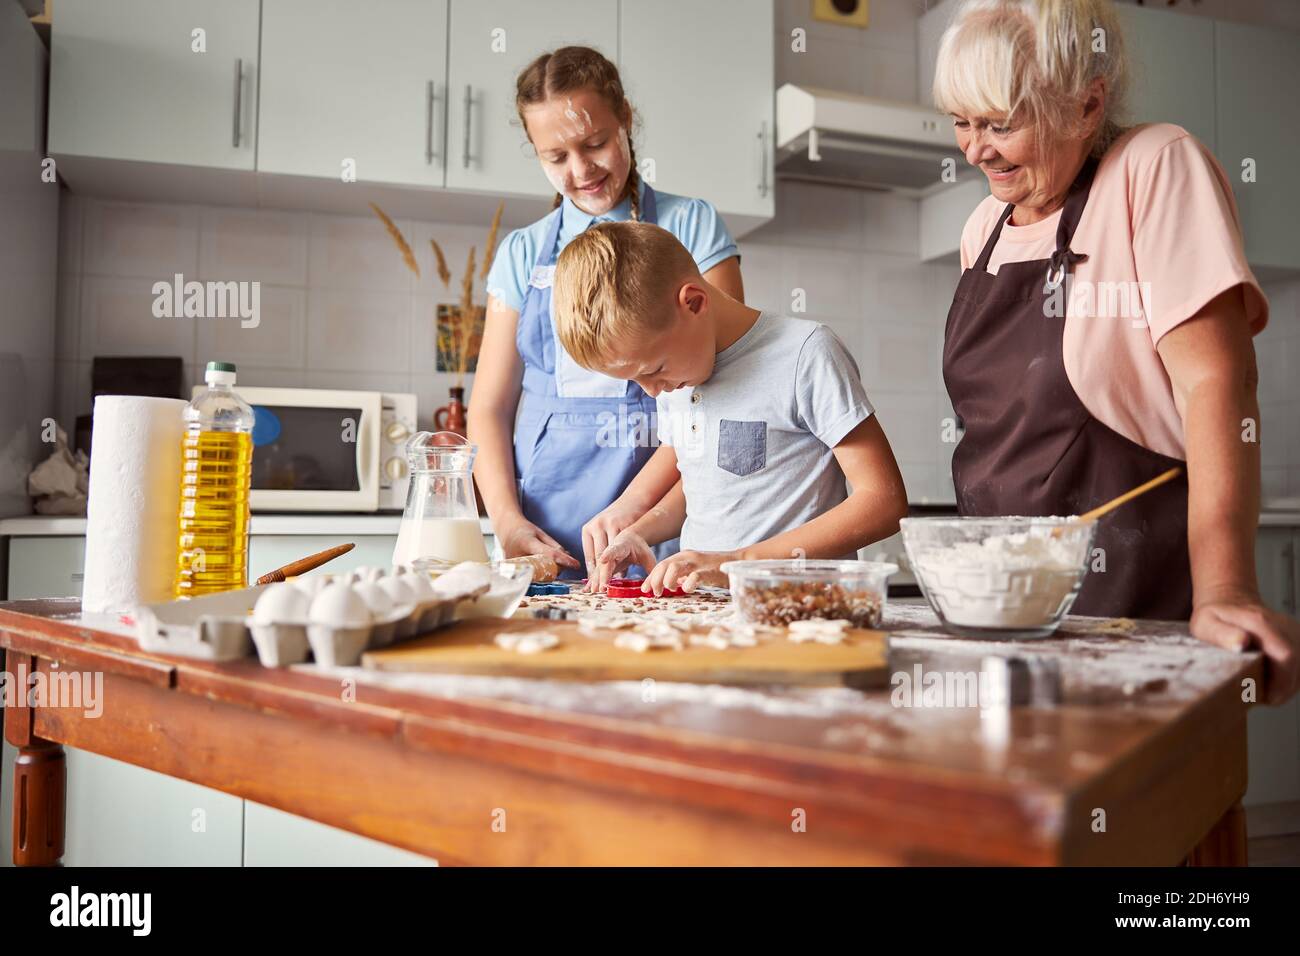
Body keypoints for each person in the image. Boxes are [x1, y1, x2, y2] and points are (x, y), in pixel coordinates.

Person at [933, 0, 1297, 702]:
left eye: (1001, 123)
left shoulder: (1154, 167)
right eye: (962, 121)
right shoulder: (984, 227)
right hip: (1006, 618)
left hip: (1135, 602)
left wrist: (1226, 587)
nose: (975, 150)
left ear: (1087, 105)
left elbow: (1217, 385)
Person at [470, 46, 743, 579]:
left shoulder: (691, 224)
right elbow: (490, 409)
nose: (581, 169)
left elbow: (730, 386)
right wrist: (506, 523)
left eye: (595, 143)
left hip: (671, 525)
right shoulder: (522, 253)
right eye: (556, 157)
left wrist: (643, 512)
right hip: (550, 528)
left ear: (626, 120)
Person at [550, 221, 909, 593]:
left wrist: (738, 564)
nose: (654, 393)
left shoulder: (805, 353)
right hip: (707, 612)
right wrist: (639, 532)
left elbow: (883, 501)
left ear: (694, 303)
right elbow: (706, 486)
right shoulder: (678, 376)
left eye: (654, 370)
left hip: (801, 613)